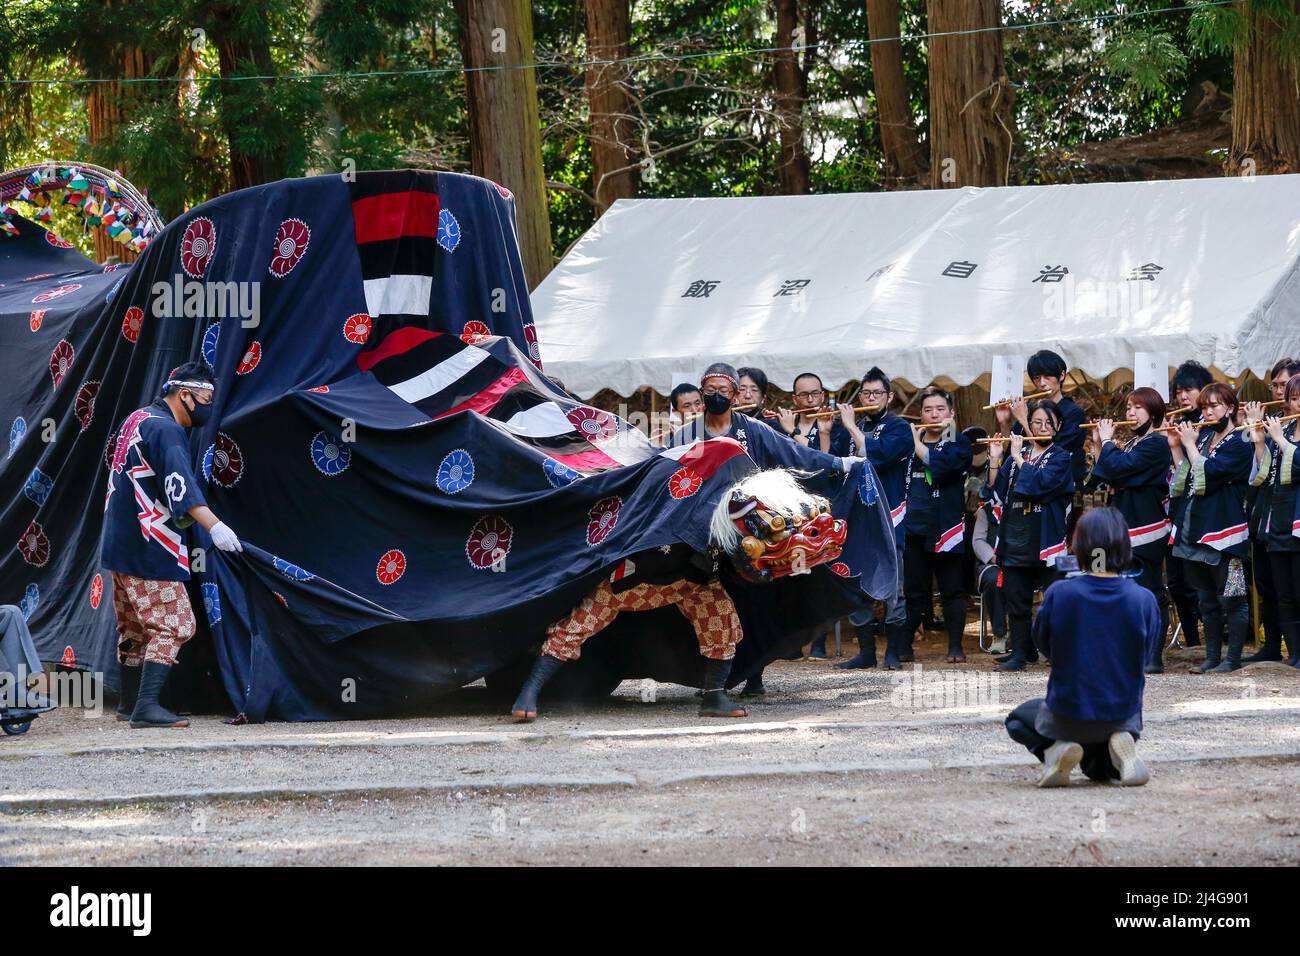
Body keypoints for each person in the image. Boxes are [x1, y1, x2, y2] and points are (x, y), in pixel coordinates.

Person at [667, 362, 861, 692]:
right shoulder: (687, 434)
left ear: (735, 394)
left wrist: (840, 463)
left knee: (755, 604)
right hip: (705, 533)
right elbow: (666, 474)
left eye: (724, 391)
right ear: (702, 394)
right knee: (708, 602)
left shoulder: (753, 429)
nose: (717, 397)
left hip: (752, 534)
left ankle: (753, 675)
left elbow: (794, 453)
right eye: (710, 391)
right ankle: (714, 678)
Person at [101, 361, 243, 728]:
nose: (209, 405)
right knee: (175, 623)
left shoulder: (136, 418)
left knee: (134, 627)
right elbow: (181, 487)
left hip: (119, 541)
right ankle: (146, 708)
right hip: (149, 543)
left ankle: (129, 705)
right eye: (205, 398)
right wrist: (216, 527)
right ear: (185, 395)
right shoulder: (166, 430)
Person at [1004, 507, 1159, 787]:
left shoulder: (1060, 593)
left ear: (1079, 547)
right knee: (1098, 772)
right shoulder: (1144, 599)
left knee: (1017, 720)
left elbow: (1043, 643)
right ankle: (1119, 748)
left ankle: (1056, 750)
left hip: (1068, 713)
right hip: (1122, 714)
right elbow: (1145, 655)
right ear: (1124, 545)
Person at [511, 543, 748, 721]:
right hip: (634, 574)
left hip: (693, 576)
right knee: (579, 624)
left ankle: (714, 695)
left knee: (721, 616)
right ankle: (529, 691)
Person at [1085, 387, 1172, 673]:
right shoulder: (1135, 442)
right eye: (1128, 408)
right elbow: (1108, 471)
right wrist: (1100, 444)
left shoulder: (1156, 443)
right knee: (1124, 593)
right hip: (1126, 527)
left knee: (1150, 592)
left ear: (1154, 412)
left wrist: (1109, 441)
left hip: (1147, 528)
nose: (1130, 413)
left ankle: (1154, 655)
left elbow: (1122, 467)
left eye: (1137, 407)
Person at [985, 399, 1075, 672]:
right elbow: (995, 490)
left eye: (1049, 423)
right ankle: (1021, 652)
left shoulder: (1061, 456)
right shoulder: (1018, 453)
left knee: (1055, 599)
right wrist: (994, 457)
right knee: (1017, 598)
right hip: (1015, 533)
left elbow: (1041, 484)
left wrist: (1017, 459)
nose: (1042, 427)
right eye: (1037, 422)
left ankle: (1058, 652)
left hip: (1046, 536)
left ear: (1058, 427)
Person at [1168, 382, 1253, 672]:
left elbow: (1212, 474)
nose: (1208, 411)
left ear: (1230, 407)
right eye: (1204, 407)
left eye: (1214, 405)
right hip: (1195, 528)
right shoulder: (1204, 439)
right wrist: (1177, 448)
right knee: (1205, 599)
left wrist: (1190, 445)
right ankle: (1212, 657)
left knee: (1233, 597)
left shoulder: (1241, 440)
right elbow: (1187, 478)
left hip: (1226, 532)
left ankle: (1232, 659)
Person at [833, 367, 913, 669]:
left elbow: (878, 455)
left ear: (889, 396)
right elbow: (837, 464)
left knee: (894, 586)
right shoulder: (851, 429)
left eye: (876, 393)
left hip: (890, 518)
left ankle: (893, 651)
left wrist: (853, 428)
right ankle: (866, 651)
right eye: (865, 393)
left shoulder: (900, 428)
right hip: (857, 518)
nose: (870, 398)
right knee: (857, 584)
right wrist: (834, 431)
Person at [900, 388, 973, 662]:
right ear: (920, 414)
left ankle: (955, 646)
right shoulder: (911, 442)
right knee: (914, 590)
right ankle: (905, 645)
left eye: (940, 409)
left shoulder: (957, 440)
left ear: (951, 413)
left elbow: (939, 465)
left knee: (952, 589)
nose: (934, 414)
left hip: (946, 526)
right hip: (914, 526)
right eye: (928, 409)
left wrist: (916, 443)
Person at [1243, 358, 1300, 662]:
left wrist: (1275, 438)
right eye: (1276, 386)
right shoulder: (1281, 423)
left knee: (1293, 586)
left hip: (1293, 514)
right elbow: (1260, 474)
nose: (1280, 392)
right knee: (1269, 584)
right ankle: (1275, 647)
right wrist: (1257, 436)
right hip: (1268, 512)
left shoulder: (1287, 429)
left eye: (1286, 386)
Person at [1165, 360, 1214, 646]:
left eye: (1188, 390)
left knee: (1209, 578)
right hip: (1179, 508)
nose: (1183, 397)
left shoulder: (1212, 425)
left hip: (1209, 512)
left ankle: (1216, 639)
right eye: (1179, 392)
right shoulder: (1178, 424)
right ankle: (1193, 640)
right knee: (1179, 579)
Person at [1022, 350, 1087, 483]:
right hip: (1030, 482)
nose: (1042, 383)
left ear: (1062, 375)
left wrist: (1023, 420)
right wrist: (1004, 422)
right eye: (1036, 378)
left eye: (1047, 376)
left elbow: (1050, 450)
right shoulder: (1029, 410)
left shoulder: (1074, 413)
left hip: (1060, 483)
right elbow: (1012, 450)